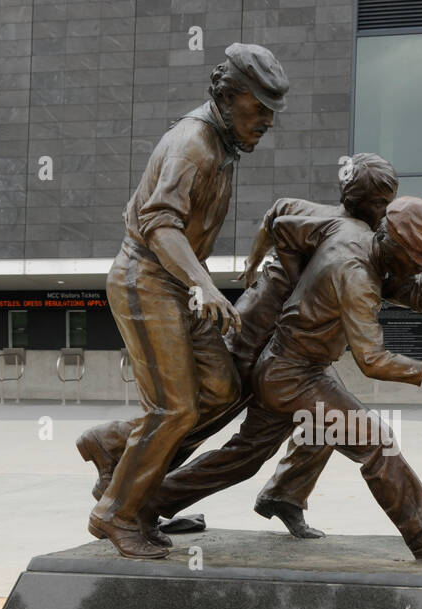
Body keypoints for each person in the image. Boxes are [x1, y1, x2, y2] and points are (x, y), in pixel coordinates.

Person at [155, 196, 422, 559]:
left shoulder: (355, 234)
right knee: (375, 439)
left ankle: (157, 502)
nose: (418, 269)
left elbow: (282, 222)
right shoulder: (357, 277)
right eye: (416, 260)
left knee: (245, 458)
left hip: (286, 368)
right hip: (294, 376)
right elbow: (373, 360)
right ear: (393, 245)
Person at [76, 43, 289, 559]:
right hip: (146, 281)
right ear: (229, 95)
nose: (265, 122)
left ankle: (114, 445)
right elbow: (158, 223)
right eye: (257, 108)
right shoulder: (193, 142)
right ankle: (116, 514)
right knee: (173, 408)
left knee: (220, 392)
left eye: (271, 113)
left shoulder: (223, 144)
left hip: (179, 284)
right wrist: (206, 285)